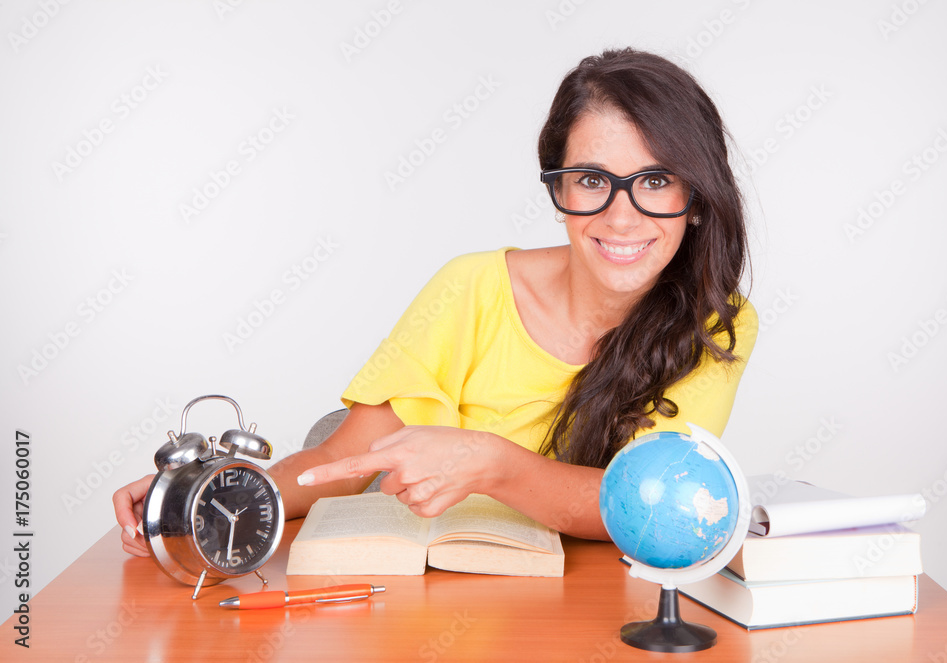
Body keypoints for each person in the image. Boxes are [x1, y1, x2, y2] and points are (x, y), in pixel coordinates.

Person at [113, 47, 758, 556]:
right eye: (591, 180)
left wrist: (492, 466)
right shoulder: (471, 287)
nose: (622, 217)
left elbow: (654, 504)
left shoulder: (716, 324)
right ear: (554, 186)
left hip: (596, 611)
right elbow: (342, 458)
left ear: (697, 198)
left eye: (655, 180)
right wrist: (209, 496)